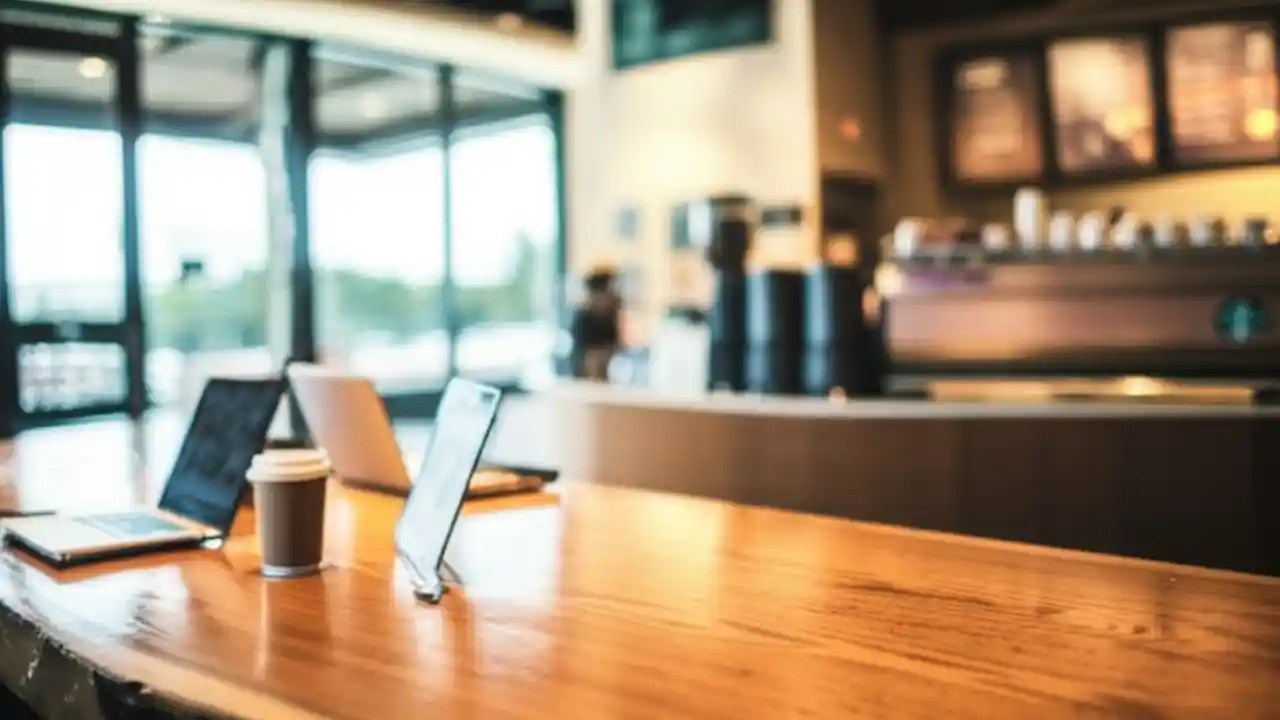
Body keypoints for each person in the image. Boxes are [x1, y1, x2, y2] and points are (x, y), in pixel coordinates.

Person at [570, 269, 622, 381]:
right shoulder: (583, 321)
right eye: (610, 291)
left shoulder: (610, 318)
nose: (615, 296)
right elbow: (591, 359)